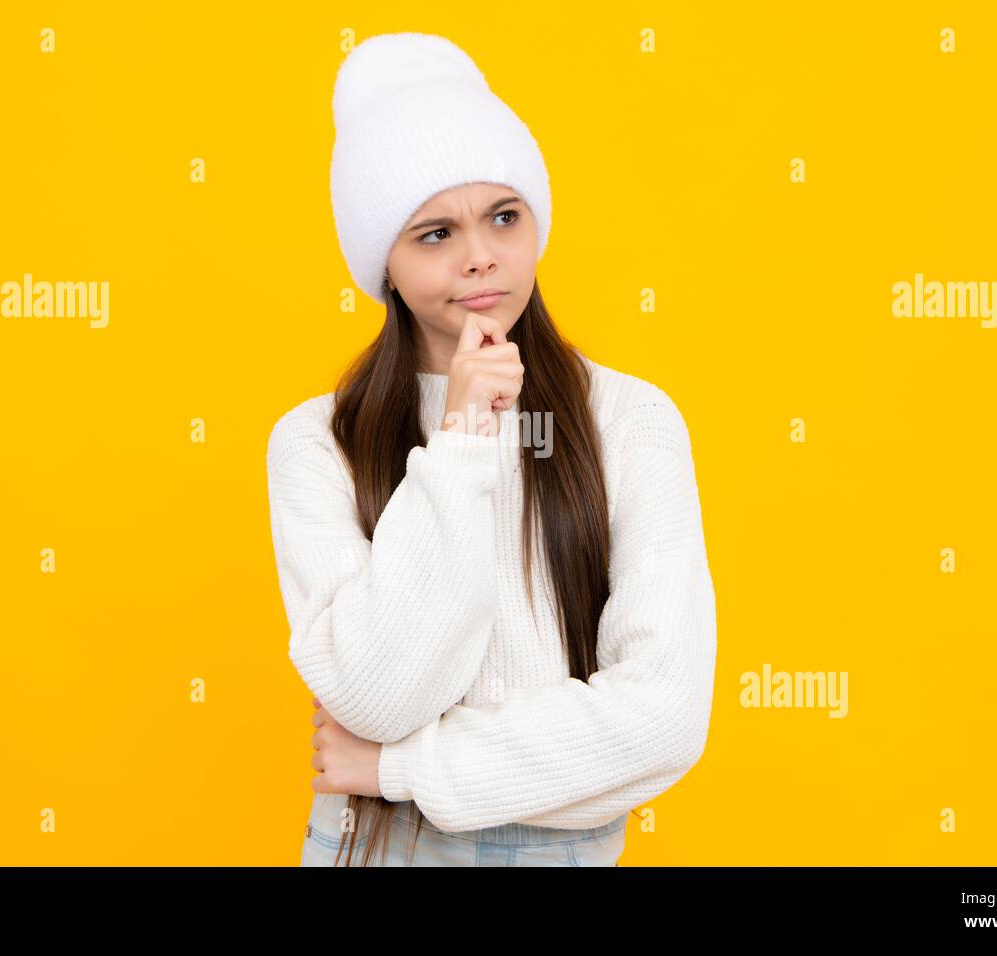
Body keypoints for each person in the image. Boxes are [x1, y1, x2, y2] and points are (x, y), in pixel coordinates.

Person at [267, 31, 717, 866]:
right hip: (378, 848)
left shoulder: (630, 421)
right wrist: (466, 438)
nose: (480, 255)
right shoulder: (315, 444)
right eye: (434, 233)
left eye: (504, 217)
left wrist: (401, 764)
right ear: (384, 267)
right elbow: (380, 692)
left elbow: (664, 715)